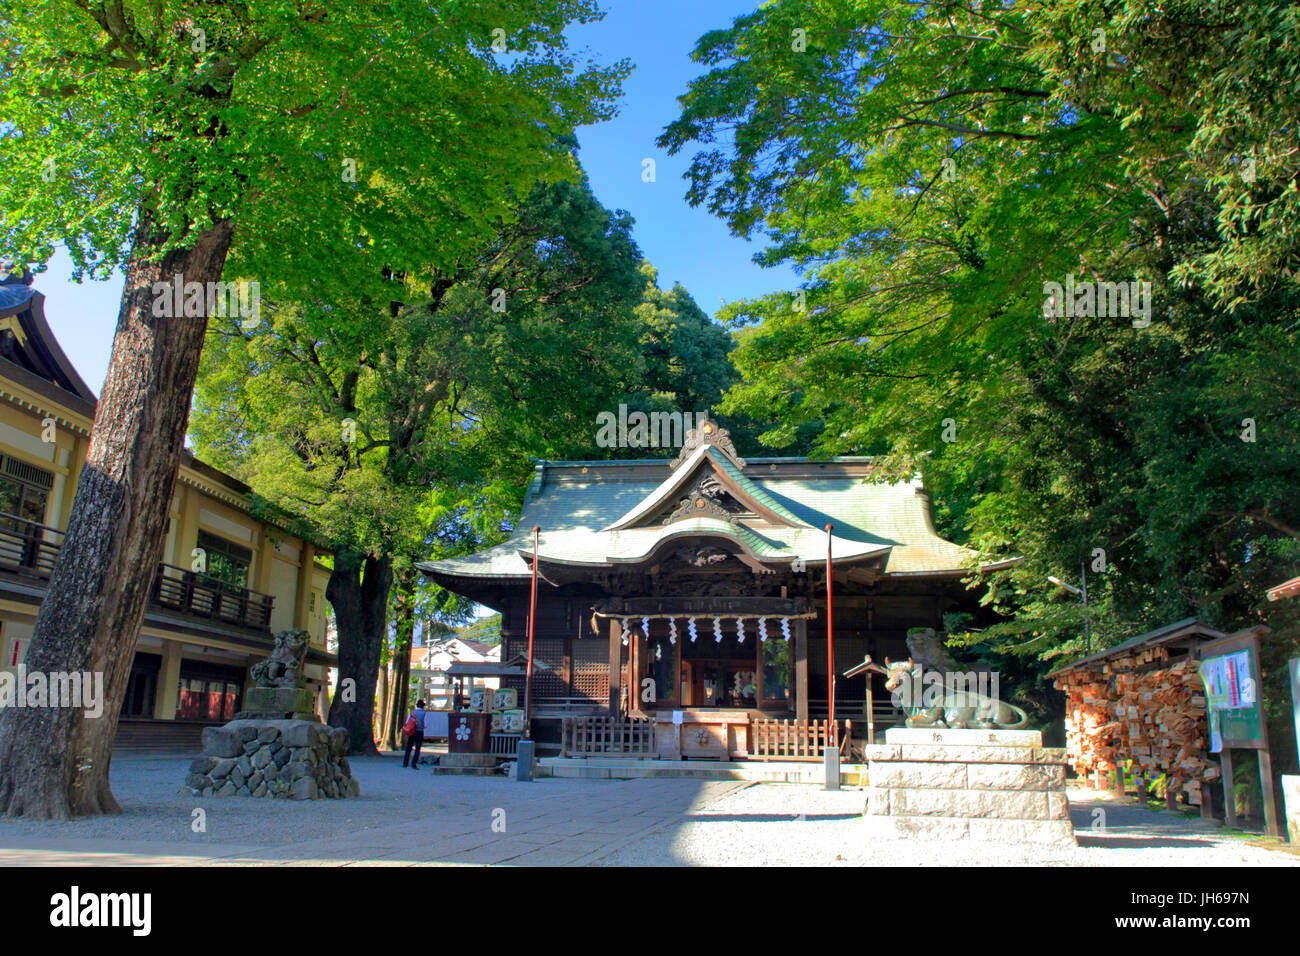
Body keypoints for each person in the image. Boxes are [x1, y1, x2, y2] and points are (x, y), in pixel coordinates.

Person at [402, 699, 427, 769]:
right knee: (417, 748)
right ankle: (413, 764)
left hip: (411, 731)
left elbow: (407, 721)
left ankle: (405, 763)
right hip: (420, 731)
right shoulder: (424, 713)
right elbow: (426, 724)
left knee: (408, 747)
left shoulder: (412, 712)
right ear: (423, 706)